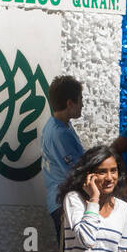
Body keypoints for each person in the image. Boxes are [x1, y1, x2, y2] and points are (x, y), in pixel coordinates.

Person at [40, 75, 85, 240]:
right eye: (80, 100)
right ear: (70, 103)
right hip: (64, 204)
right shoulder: (59, 134)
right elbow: (77, 171)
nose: (82, 104)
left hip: (65, 202)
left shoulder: (61, 125)